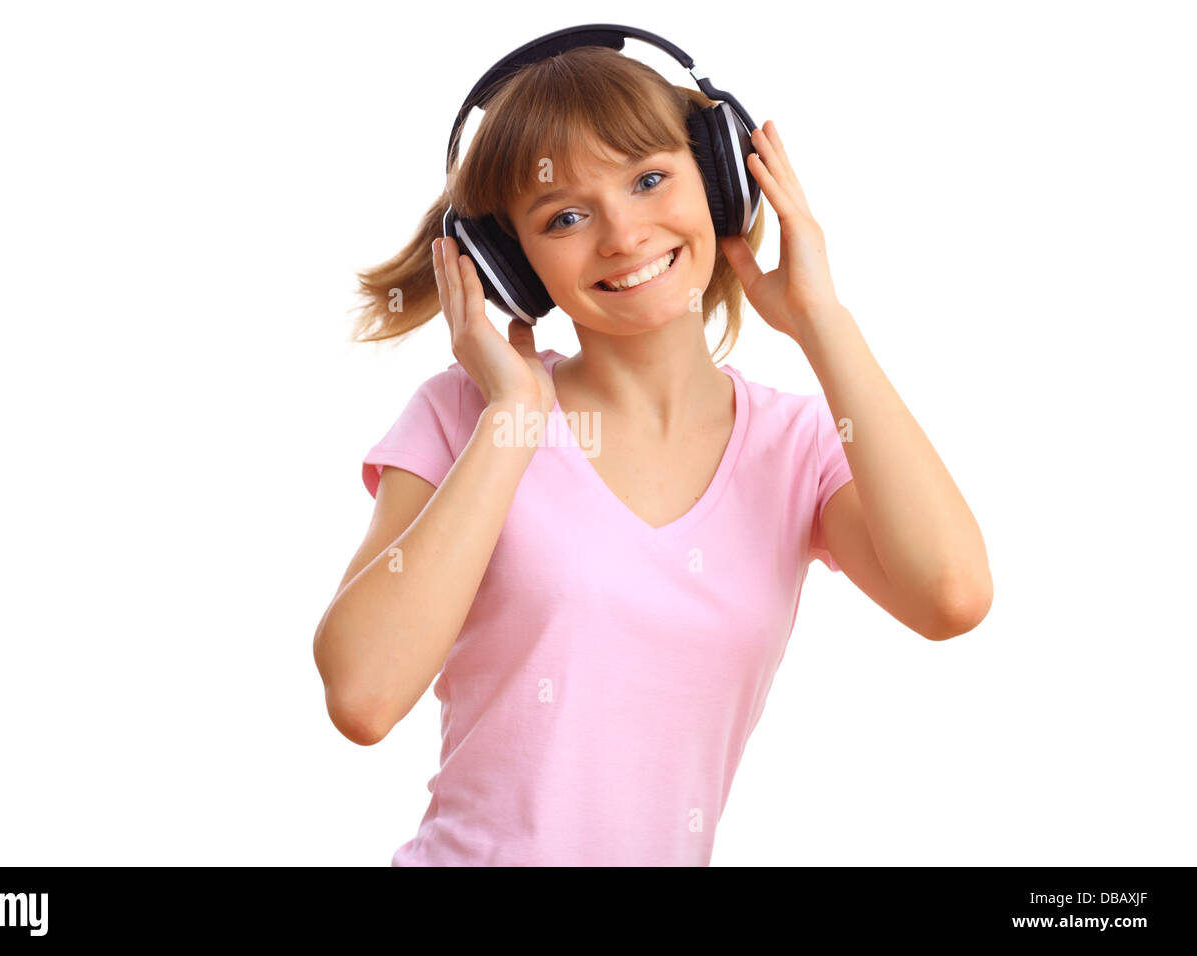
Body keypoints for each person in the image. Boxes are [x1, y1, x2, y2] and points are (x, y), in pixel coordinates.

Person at [312, 44, 993, 866]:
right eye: (563, 215)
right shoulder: (465, 417)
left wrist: (822, 320)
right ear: (511, 265)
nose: (624, 233)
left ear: (719, 180)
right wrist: (515, 418)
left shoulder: (801, 446)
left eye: (647, 179)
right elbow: (364, 695)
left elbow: (951, 598)